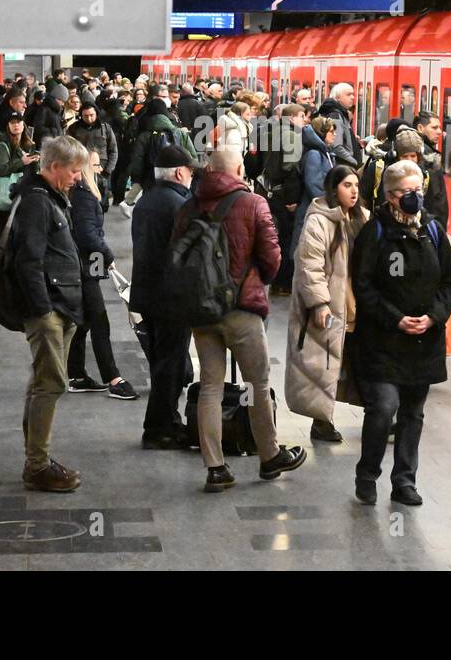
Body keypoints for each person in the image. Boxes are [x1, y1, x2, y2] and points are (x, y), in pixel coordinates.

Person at [171, 148, 305, 493]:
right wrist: (256, 280)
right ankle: (269, 455)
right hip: (242, 309)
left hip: (203, 311)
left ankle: (215, 467)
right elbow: (272, 256)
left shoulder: (190, 204)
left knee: (211, 386)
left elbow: (177, 255)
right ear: (239, 169)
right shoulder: (253, 203)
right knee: (256, 383)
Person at [350, 160, 451, 506]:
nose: (417, 198)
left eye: (419, 191)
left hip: (423, 341)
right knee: (383, 407)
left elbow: (450, 281)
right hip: (382, 341)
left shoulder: (432, 231)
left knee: (413, 412)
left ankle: (404, 482)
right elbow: (363, 285)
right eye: (410, 193)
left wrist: (433, 316)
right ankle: (368, 473)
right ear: (392, 196)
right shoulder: (376, 233)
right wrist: (396, 318)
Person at [9, 136, 90, 492]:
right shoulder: (38, 203)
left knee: (42, 380)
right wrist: (43, 311)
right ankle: (37, 465)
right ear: (54, 166)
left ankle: (36, 458)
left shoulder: (49, 198)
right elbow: (29, 260)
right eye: (74, 170)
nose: (78, 177)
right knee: (51, 382)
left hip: (60, 306)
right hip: (50, 309)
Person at [286, 164, 368, 443]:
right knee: (325, 364)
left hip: (358, 305)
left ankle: (377, 414)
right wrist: (319, 303)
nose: (354, 190)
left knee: (360, 362)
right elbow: (310, 264)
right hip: (333, 305)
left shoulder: (362, 218)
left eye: (356, 185)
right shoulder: (318, 221)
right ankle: (321, 421)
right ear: (334, 189)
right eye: (347, 185)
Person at [130, 145, 198, 449]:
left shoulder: (146, 201)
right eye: (191, 172)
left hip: (149, 292)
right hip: (171, 297)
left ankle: (165, 421)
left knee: (163, 362)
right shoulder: (178, 204)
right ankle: (160, 427)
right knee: (170, 364)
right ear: (180, 172)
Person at [66, 149, 136, 400]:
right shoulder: (85, 196)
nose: (100, 169)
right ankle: (113, 378)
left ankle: (75, 374)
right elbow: (88, 235)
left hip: (85, 265)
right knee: (98, 320)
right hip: (86, 265)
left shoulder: (83, 194)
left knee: (83, 322)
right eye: (95, 165)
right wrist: (108, 256)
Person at [261, 104, 308, 295]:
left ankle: (275, 280)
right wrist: (292, 199)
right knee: (288, 238)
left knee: (277, 236)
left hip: (271, 189)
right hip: (285, 195)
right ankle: (283, 282)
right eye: (301, 116)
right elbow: (290, 169)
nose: (304, 119)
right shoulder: (292, 136)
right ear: (290, 119)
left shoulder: (269, 133)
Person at [0, 109, 39, 243]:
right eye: (12, 123)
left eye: (18, 122)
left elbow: (34, 171)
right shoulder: (3, 145)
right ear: (8, 126)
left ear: (23, 125)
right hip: (7, 197)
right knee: (4, 236)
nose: (16, 125)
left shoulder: (29, 145)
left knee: (20, 234)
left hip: (25, 194)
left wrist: (36, 161)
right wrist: (21, 162)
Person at [293, 115, 336, 253]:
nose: (334, 135)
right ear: (322, 133)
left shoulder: (324, 152)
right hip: (311, 209)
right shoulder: (314, 154)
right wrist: (329, 201)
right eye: (331, 131)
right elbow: (314, 185)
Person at [67, 100, 119, 210]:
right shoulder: (73, 129)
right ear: (81, 115)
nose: (89, 119)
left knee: (101, 204)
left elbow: (113, 150)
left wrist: (107, 171)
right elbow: (68, 150)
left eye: (92, 115)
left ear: (96, 114)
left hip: (101, 171)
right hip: (81, 172)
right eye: (86, 116)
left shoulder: (105, 128)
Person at [413, 110, 449, 223]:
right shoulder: (426, 157)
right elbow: (434, 197)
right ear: (420, 128)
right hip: (430, 221)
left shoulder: (425, 152)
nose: (439, 131)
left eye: (439, 127)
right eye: (434, 128)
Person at [317, 83, 360, 167]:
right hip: (343, 166)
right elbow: (336, 146)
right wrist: (354, 162)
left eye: (353, 94)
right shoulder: (336, 115)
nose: (353, 97)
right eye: (348, 94)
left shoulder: (341, 113)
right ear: (337, 98)